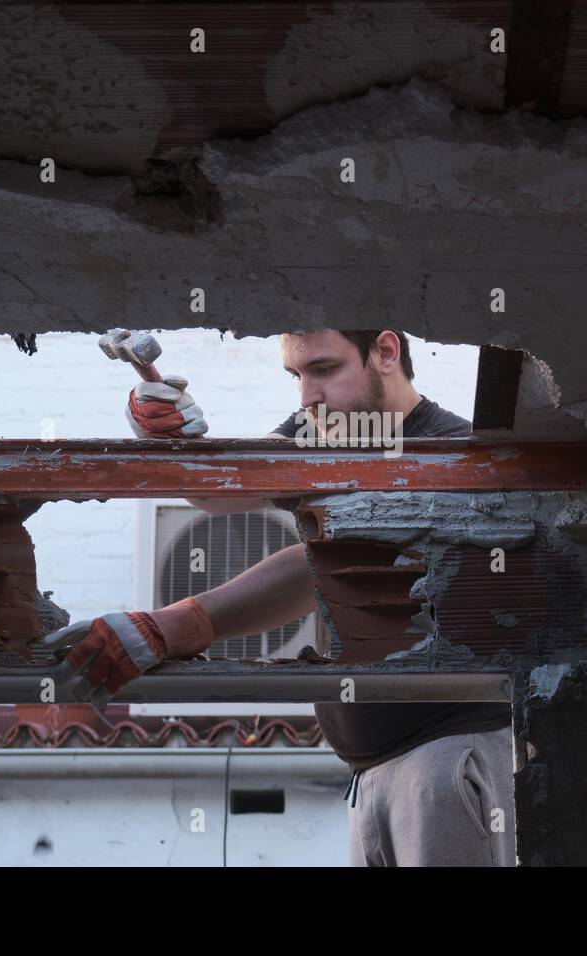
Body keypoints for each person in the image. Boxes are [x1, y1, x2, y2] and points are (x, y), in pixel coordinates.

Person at [44, 329, 515, 866]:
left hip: (447, 757)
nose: (306, 396)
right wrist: (169, 435)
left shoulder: (449, 453)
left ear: (385, 353)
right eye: (295, 374)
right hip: (372, 772)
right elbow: (218, 494)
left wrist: (183, 622)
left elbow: (334, 559)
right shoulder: (320, 435)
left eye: (323, 369)